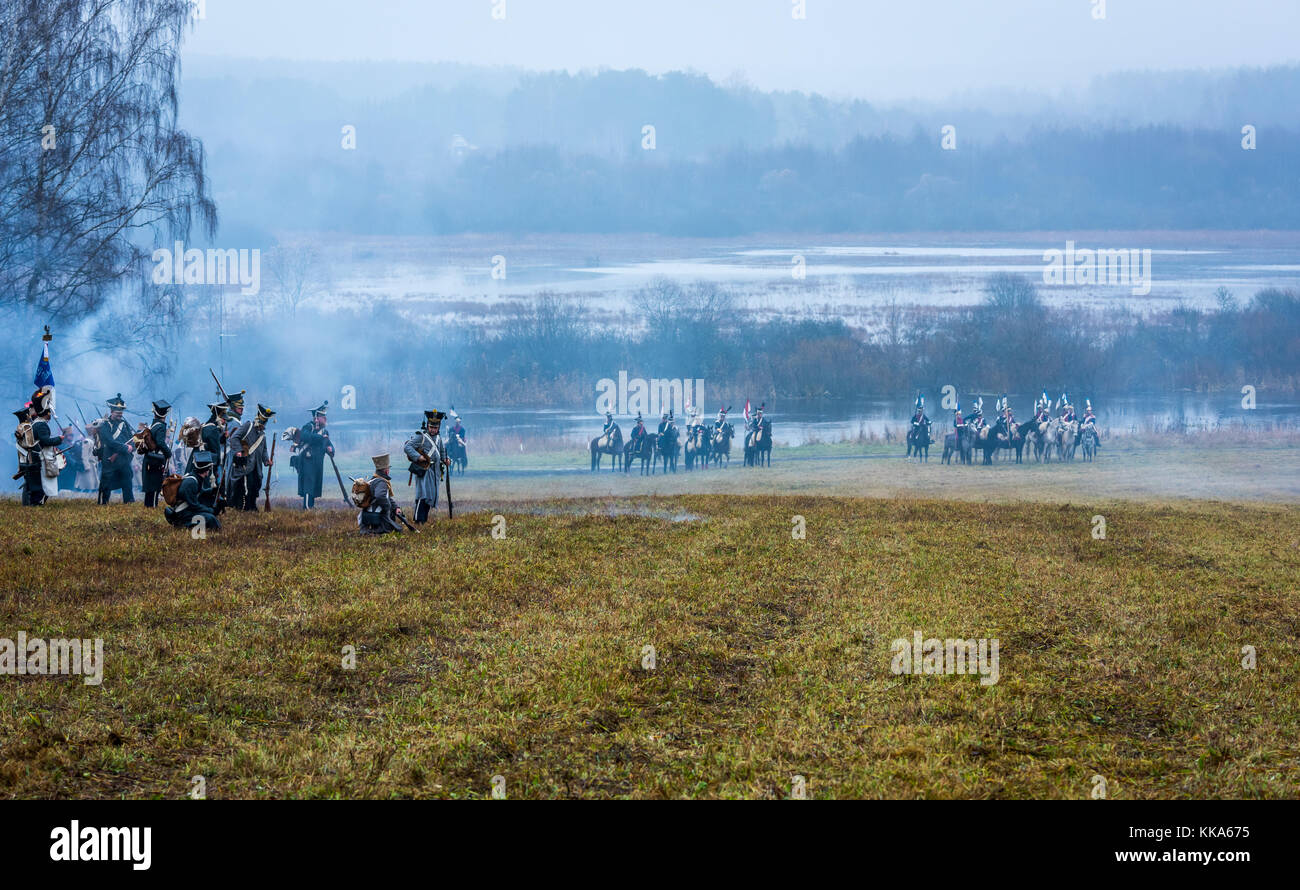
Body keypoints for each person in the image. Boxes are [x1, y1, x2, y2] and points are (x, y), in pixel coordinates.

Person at [403, 409, 449, 524]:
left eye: (435, 428)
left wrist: (446, 460)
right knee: (423, 495)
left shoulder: (439, 439)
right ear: (428, 426)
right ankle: (418, 520)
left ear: (438, 428)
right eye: (431, 427)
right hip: (424, 471)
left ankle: (424, 520)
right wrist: (418, 457)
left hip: (435, 472)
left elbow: (442, 452)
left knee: (431, 496)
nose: (433, 430)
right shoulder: (421, 437)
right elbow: (407, 447)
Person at [228, 402, 274, 511]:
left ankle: (252, 505)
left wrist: (267, 460)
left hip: (256, 465)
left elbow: (264, 450)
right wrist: (238, 451)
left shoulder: (262, 435)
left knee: (255, 485)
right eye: (262, 422)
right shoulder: (248, 426)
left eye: (265, 422)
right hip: (245, 463)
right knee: (246, 486)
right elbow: (234, 437)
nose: (263, 424)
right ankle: (245, 507)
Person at [164, 450, 221, 532]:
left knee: (210, 506)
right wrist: (211, 511)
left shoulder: (195, 477)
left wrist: (214, 491)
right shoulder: (191, 482)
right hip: (183, 515)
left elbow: (200, 493)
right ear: (205, 470)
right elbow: (194, 505)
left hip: (187, 510)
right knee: (210, 518)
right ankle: (183, 525)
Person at [293, 401, 334, 510]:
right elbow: (305, 437)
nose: (325, 418)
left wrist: (331, 449)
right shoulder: (308, 427)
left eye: (324, 416)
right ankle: (306, 507)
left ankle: (310, 506)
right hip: (308, 460)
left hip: (318, 462)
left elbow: (329, 444)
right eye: (322, 416)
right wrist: (321, 438)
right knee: (308, 485)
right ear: (316, 417)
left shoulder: (325, 431)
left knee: (314, 485)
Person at [96, 393, 134, 504]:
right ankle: (104, 502)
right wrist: (125, 447)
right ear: (112, 412)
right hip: (110, 457)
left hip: (124, 458)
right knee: (107, 481)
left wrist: (132, 446)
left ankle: (129, 501)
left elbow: (131, 439)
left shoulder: (125, 424)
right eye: (117, 413)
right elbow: (109, 441)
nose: (120, 415)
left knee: (127, 479)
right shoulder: (105, 425)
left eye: (121, 413)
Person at [139, 400, 172, 508]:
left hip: (150, 458)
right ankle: (152, 507)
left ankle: (148, 507)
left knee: (150, 487)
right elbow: (160, 443)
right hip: (156, 460)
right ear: (165, 414)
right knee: (154, 487)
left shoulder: (154, 424)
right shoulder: (161, 426)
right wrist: (168, 453)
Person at [358, 453, 401, 534]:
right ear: (386, 471)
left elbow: (386, 497)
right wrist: (388, 507)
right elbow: (380, 496)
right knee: (397, 531)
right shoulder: (381, 482)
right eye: (388, 468)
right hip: (378, 517)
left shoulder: (373, 480)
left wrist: (395, 507)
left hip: (368, 515)